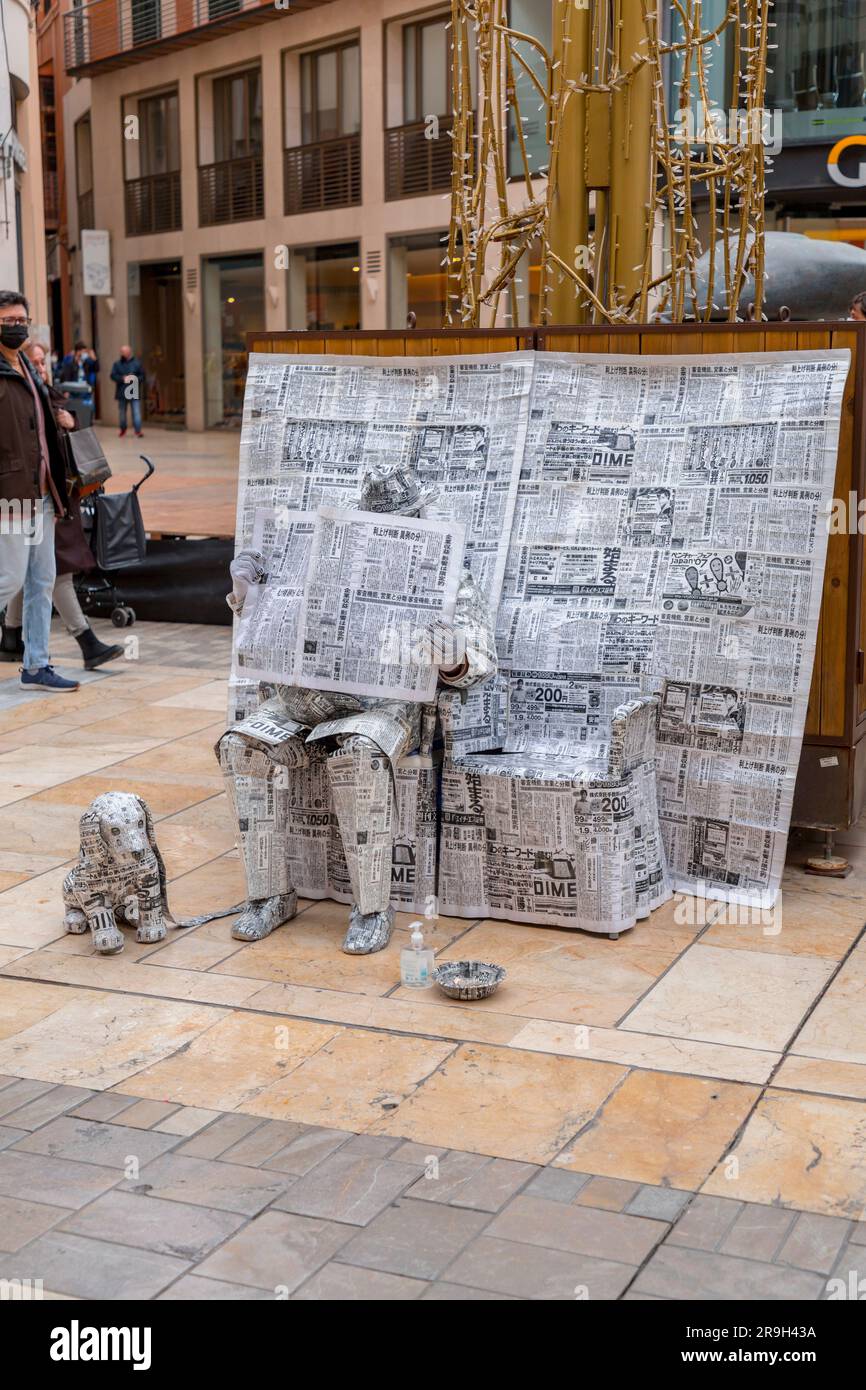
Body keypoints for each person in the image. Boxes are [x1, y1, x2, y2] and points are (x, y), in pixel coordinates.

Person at [218, 462, 497, 955]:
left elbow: (481, 656)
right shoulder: (328, 554)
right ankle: (269, 895)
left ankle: (372, 908)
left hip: (385, 708)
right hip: (304, 701)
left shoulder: (450, 573)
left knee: (359, 753)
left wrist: (453, 659)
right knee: (242, 746)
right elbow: (266, 624)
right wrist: (246, 595)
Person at [1, 343, 122, 671]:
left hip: (55, 499)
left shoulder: (48, 396)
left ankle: (15, 640)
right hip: (32, 500)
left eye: (43, 362)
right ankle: (86, 642)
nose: (41, 368)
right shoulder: (20, 397)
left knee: (35, 574)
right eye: (35, 362)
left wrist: (70, 423)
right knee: (45, 575)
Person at [0, 292, 79, 692]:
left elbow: (45, 421)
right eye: (8, 320)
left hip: (44, 492)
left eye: (21, 320)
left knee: (42, 580)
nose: (16, 326)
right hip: (11, 493)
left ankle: (36, 664)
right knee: (8, 579)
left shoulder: (28, 368)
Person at [110, 346, 145, 437]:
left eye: (124, 351)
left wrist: (134, 378)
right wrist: (122, 378)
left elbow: (142, 376)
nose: (122, 353)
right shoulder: (117, 364)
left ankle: (138, 431)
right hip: (122, 391)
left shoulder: (137, 363)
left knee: (136, 412)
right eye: (121, 352)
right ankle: (123, 429)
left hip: (134, 391)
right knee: (122, 413)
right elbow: (113, 375)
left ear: (129, 352)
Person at [58, 340, 99, 412]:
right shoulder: (70, 364)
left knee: (87, 411)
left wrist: (94, 359)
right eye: (83, 352)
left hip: (85, 392)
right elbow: (65, 377)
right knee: (75, 411)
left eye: (85, 352)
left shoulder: (86, 363)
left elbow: (96, 369)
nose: (84, 354)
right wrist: (66, 391)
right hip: (74, 392)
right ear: (78, 352)